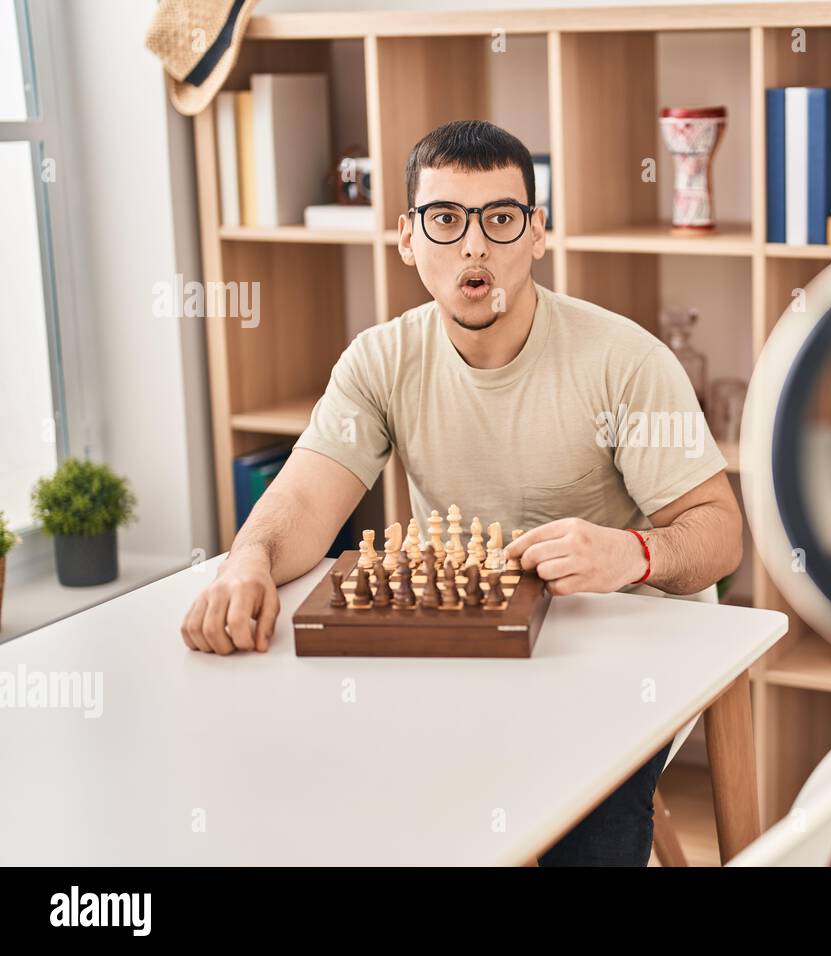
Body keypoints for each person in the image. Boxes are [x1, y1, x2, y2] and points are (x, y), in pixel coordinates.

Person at [179, 119, 744, 866]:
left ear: (537, 233)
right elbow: (303, 505)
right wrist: (247, 560)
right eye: (445, 219)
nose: (474, 247)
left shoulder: (625, 361)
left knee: (585, 819)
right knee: (343, 786)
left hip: (617, 650)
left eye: (500, 220)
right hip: (463, 644)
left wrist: (632, 553)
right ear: (407, 239)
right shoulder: (380, 361)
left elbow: (719, 536)